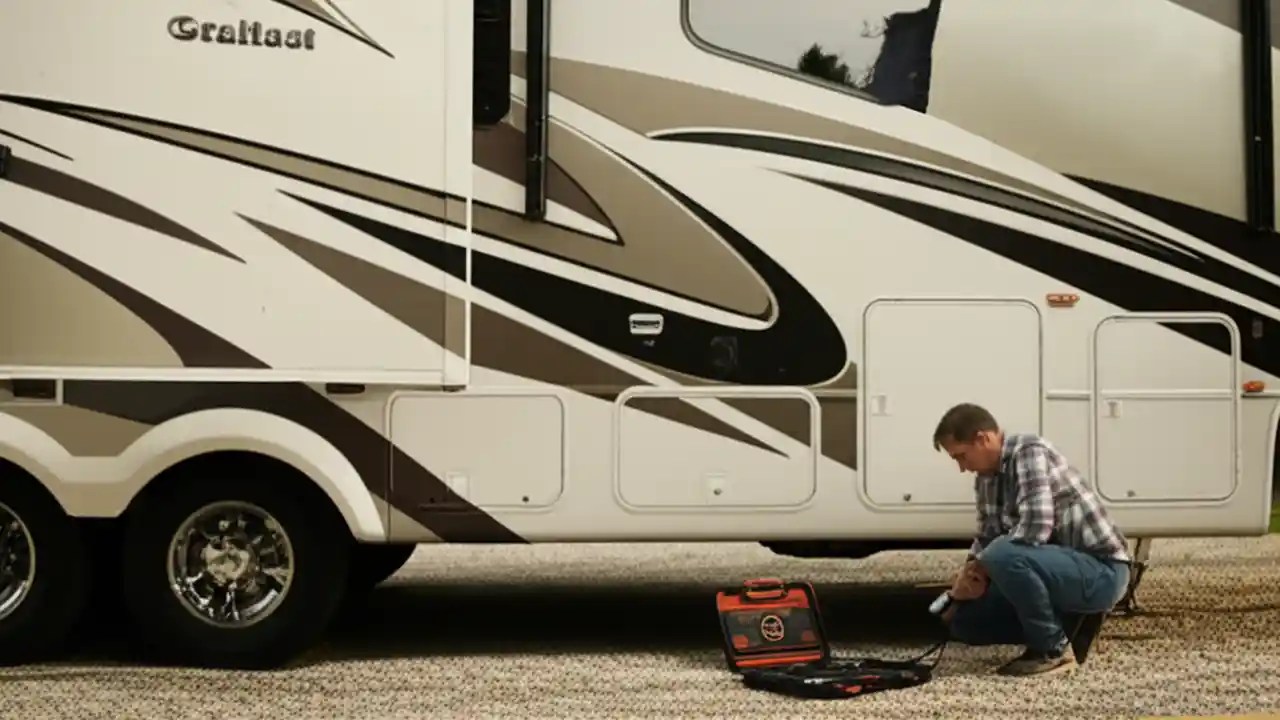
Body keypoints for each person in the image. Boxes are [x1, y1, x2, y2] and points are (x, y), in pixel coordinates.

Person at [930, 403, 1132, 677]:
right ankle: (1072, 624)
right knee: (964, 621)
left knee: (1001, 554)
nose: (962, 468)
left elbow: (1036, 526)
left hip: (1103, 572)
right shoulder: (986, 478)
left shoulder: (1028, 451)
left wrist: (987, 563)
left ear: (983, 439)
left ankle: (1053, 649)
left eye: (962, 457)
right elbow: (987, 538)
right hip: (1058, 571)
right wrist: (965, 581)